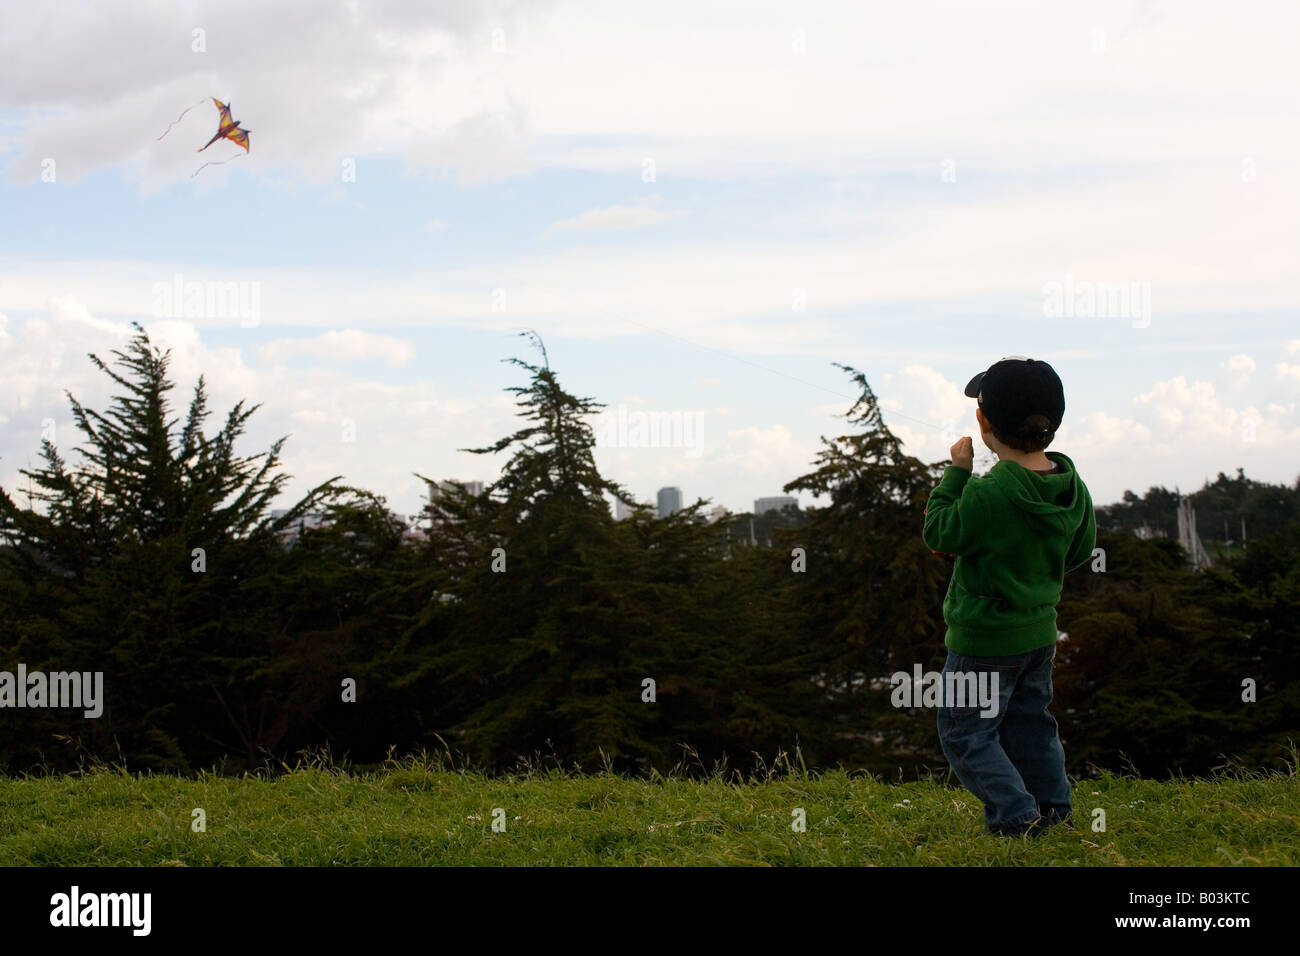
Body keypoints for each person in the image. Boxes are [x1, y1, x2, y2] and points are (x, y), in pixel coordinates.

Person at [922, 356, 1096, 836]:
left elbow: (939, 532)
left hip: (984, 638)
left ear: (983, 423)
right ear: (1053, 423)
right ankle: (1054, 812)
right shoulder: (1070, 485)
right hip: (1039, 633)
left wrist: (955, 474)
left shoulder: (987, 492)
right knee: (1031, 728)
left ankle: (1018, 817)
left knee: (964, 732)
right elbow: (1079, 549)